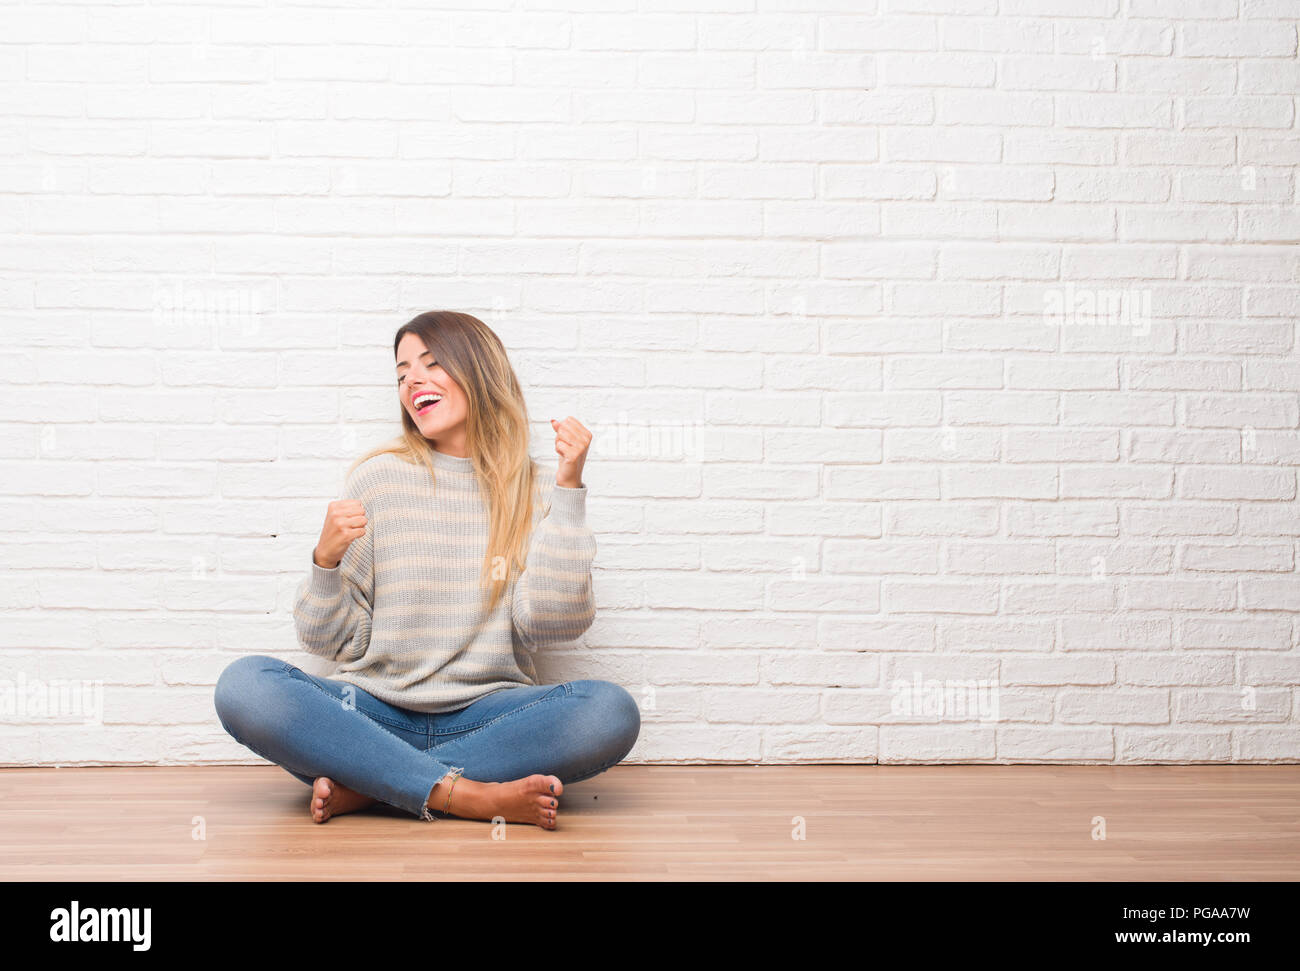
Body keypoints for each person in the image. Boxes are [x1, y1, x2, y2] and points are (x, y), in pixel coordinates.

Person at [214, 311, 640, 829]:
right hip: (371, 714)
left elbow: (551, 625)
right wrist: (324, 563)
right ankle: (470, 797)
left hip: (489, 717)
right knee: (244, 686)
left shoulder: (533, 490)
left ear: (479, 372)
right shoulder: (379, 479)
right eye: (401, 373)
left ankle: (377, 787)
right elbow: (333, 644)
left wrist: (569, 493)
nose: (412, 381)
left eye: (431, 364)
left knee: (609, 711)